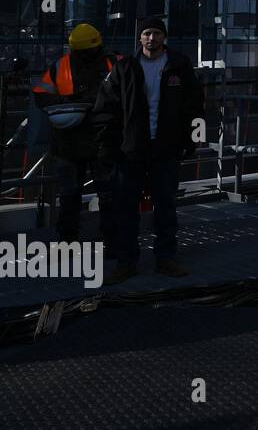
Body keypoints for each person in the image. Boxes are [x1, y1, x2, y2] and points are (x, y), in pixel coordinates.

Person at [96, 17, 205, 284]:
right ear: (140, 37)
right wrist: (107, 146)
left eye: (156, 33)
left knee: (165, 205)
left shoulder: (179, 65)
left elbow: (195, 104)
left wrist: (193, 139)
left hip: (165, 147)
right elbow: (107, 106)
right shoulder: (125, 67)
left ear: (164, 37)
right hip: (131, 149)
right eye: (147, 33)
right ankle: (126, 262)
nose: (151, 38)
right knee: (126, 208)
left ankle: (166, 259)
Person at [32, 23, 117, 248]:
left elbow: (40, 95)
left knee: (84, 194)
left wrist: (66, 103)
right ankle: (102, 240)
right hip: (82, 141)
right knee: (98, 193)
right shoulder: (109, 63)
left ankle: (74, 240)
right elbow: (41, 94)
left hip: (87, 140)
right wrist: (68, 101)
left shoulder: (65, 65)